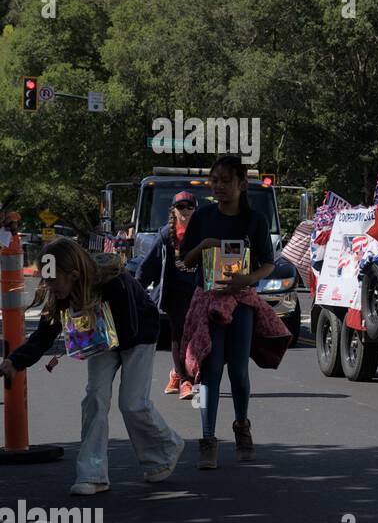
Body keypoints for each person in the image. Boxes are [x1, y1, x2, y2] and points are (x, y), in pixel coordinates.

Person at [0, 238, 184, 495]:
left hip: (138, 335)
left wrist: (86, 334)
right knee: (95, 399)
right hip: (104, 339)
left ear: (74, 275)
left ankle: (166, 449)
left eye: (53, 281)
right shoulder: (60, 294)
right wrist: (14, 361)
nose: (49, 287)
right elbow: (43, 335)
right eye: (46, 280)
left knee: (132, 403)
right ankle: (93, 474)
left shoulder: (114, 283)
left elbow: (128, 329)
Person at [179, 155, 277, 467]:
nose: (218, 186)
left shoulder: (255, 220)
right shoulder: (203, 217)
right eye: (214, 181)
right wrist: (205, 244)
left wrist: (248, 279)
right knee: (210, 368)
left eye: (225, 181)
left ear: (241, 184)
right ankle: (207, 439)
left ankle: (242, 426)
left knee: (237, 369)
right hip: (207, 302)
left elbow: (269, 262)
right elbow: (186, 260)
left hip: (242, 302)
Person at [136, 190, 200, 399]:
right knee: (179, 335)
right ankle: (185, 381)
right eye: (181, 207)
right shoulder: (165, 235)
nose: (186, 211)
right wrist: (135, 292)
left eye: (190, 207)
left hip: (198, 292)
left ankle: (177, 373)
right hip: (175, 294)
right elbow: (148, 267)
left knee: (197, 337)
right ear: (173, 210)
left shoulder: (203, 234)